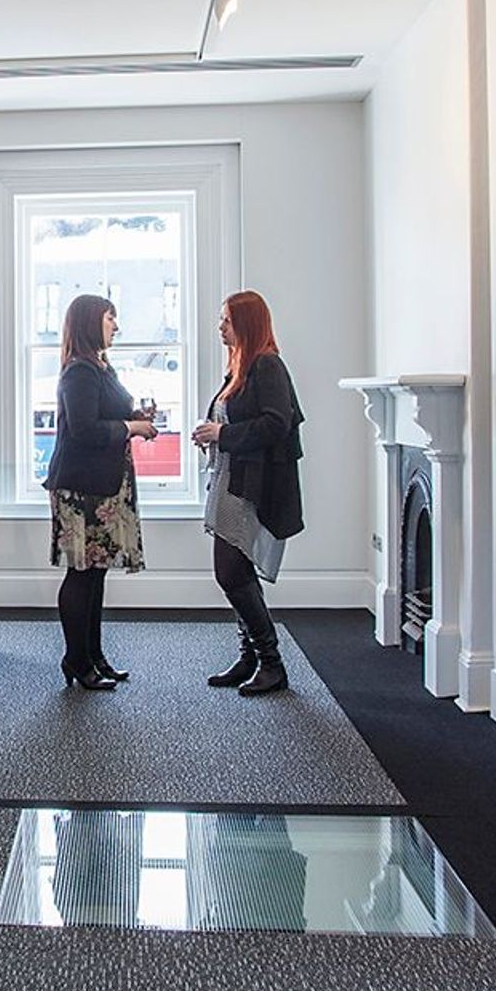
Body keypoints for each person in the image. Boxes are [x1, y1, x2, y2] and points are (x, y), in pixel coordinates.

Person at [192, 290, 305, 695]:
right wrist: (212, 434)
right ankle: (251, 658)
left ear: (246, 324)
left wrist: (222, 432)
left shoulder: (268, 365)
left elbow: (277, 423)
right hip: (230, 479)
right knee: (237, 572)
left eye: (226, 319)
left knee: (230, 572)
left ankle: (271, 662)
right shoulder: (241, 366)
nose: (220, 326)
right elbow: (241, 421)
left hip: (249, 486)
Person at [43, 293, 156, 692]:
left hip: (103, 485)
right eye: (111, 318)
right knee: (82, 574)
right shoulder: (79, 371)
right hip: (80, 487)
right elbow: (84, 430)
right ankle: (75, 658)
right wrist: (132, 428)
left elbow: (106, 416)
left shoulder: (100, 368)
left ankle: (93, 655)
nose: (116, 326)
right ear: (93, 322)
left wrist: (135, 419)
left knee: (96, 573)